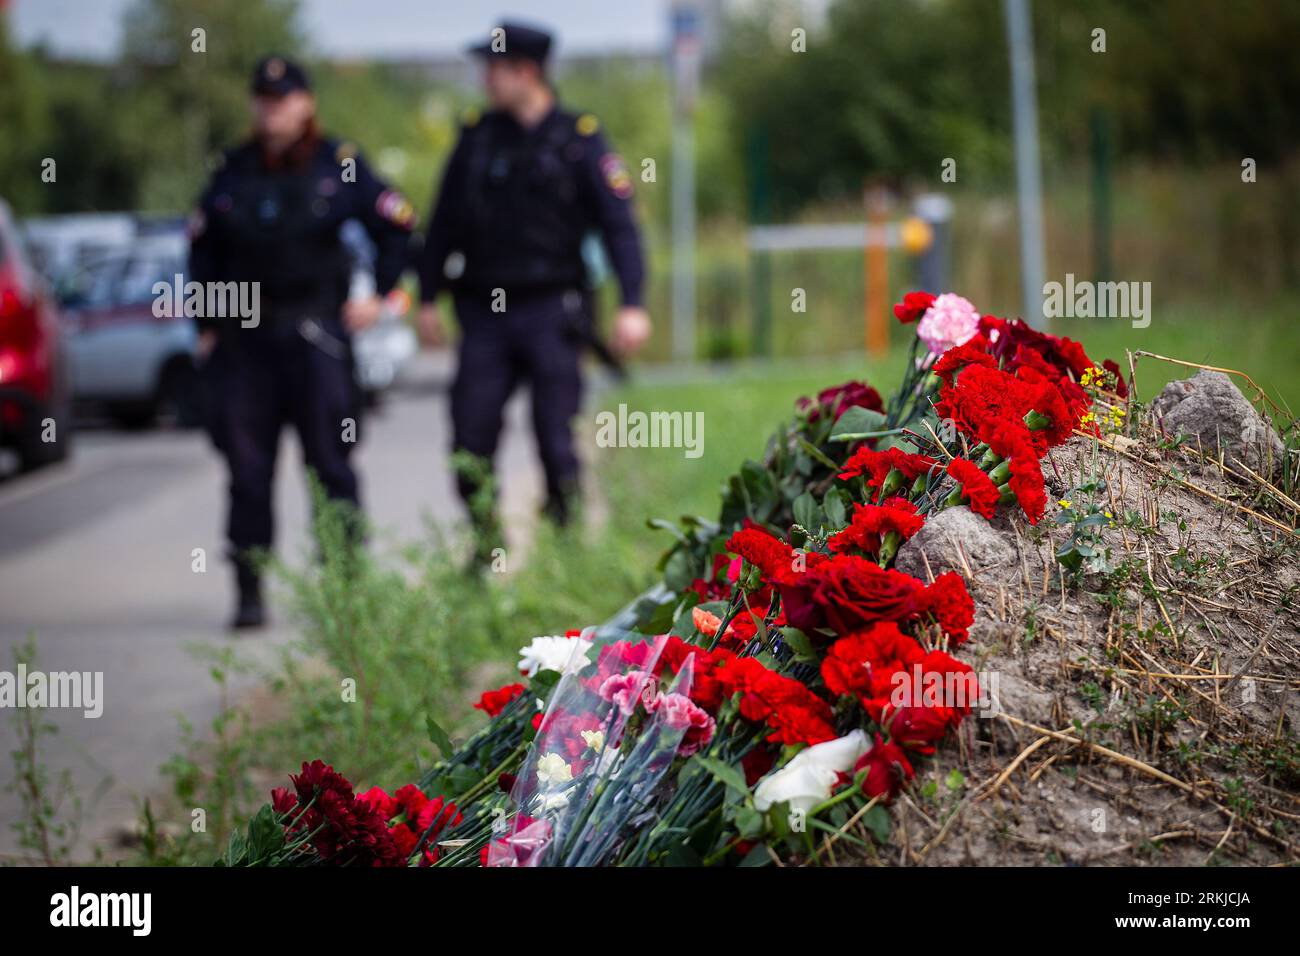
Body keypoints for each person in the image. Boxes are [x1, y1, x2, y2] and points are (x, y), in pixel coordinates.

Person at [189, 55, 416, 628]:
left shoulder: (338, 164)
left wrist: (382, 296)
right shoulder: (232, 169)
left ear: (306, 102)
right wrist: (206, 328)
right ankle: (248, 588)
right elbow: (202, 253)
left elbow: (399, 228)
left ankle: (346, 589)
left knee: (331, 465)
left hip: (316, 335)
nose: (274, 110)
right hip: (245, 344)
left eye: (285, 98)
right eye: (264, 100)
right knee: (246, 472)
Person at [416, 21, 651, 539]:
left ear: (526, 72)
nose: (486, 80)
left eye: (495, 69)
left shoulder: (579, 139)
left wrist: (633, 303)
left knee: (556, 439)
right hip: (484, 310)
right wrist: (428, 296)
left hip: (554, 308)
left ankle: (567, 544)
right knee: (469, 437)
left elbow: (619, 226)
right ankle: (484, 543)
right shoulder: (476, 139)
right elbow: (443, 222)